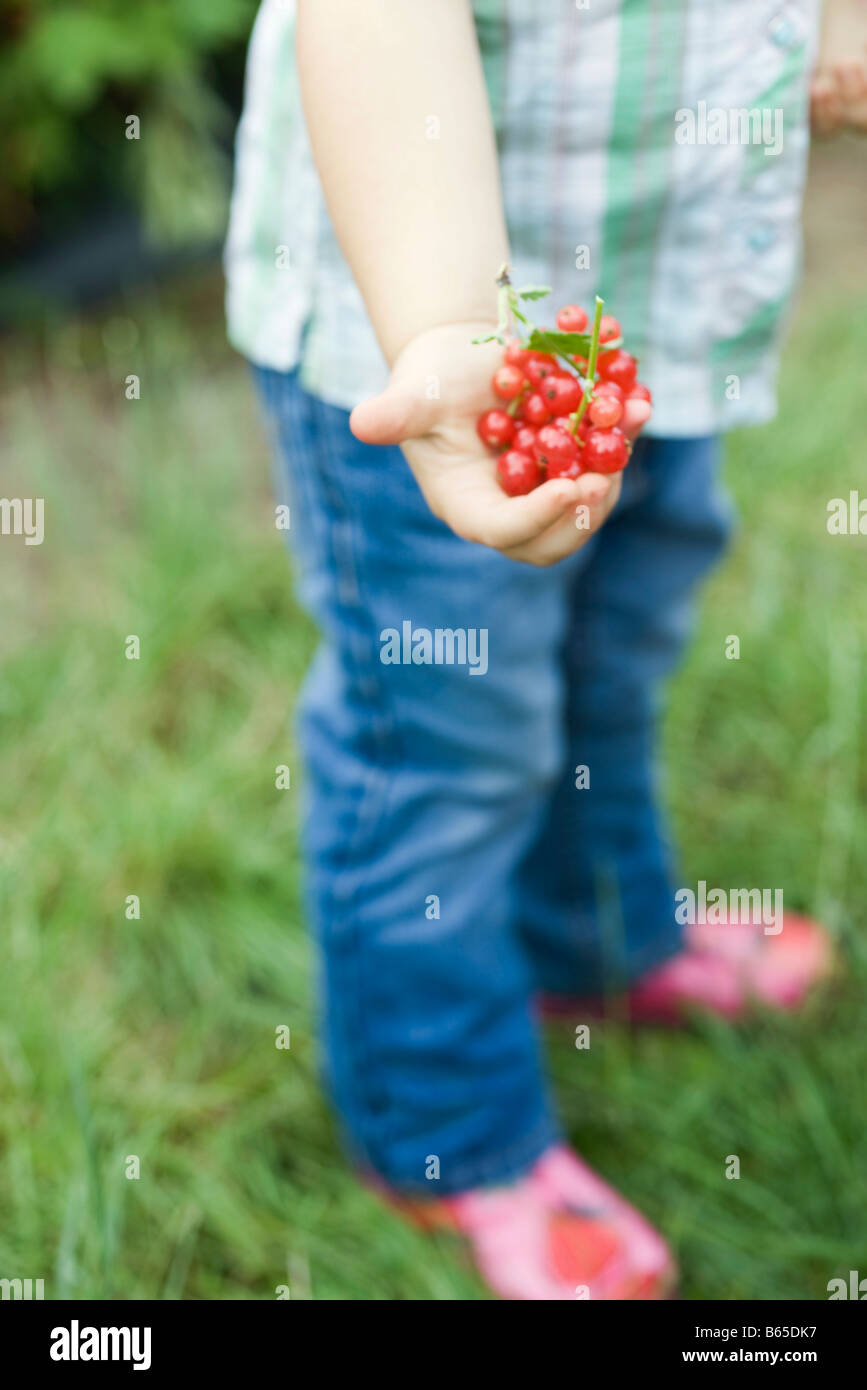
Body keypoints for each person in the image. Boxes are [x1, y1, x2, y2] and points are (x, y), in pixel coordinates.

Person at [224, 0, 863, 1299]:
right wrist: (453, 327)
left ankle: (598, 940)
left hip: (656, 307)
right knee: (448, 742)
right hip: (430, 353)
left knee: (611, 655)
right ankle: (444, 1129)